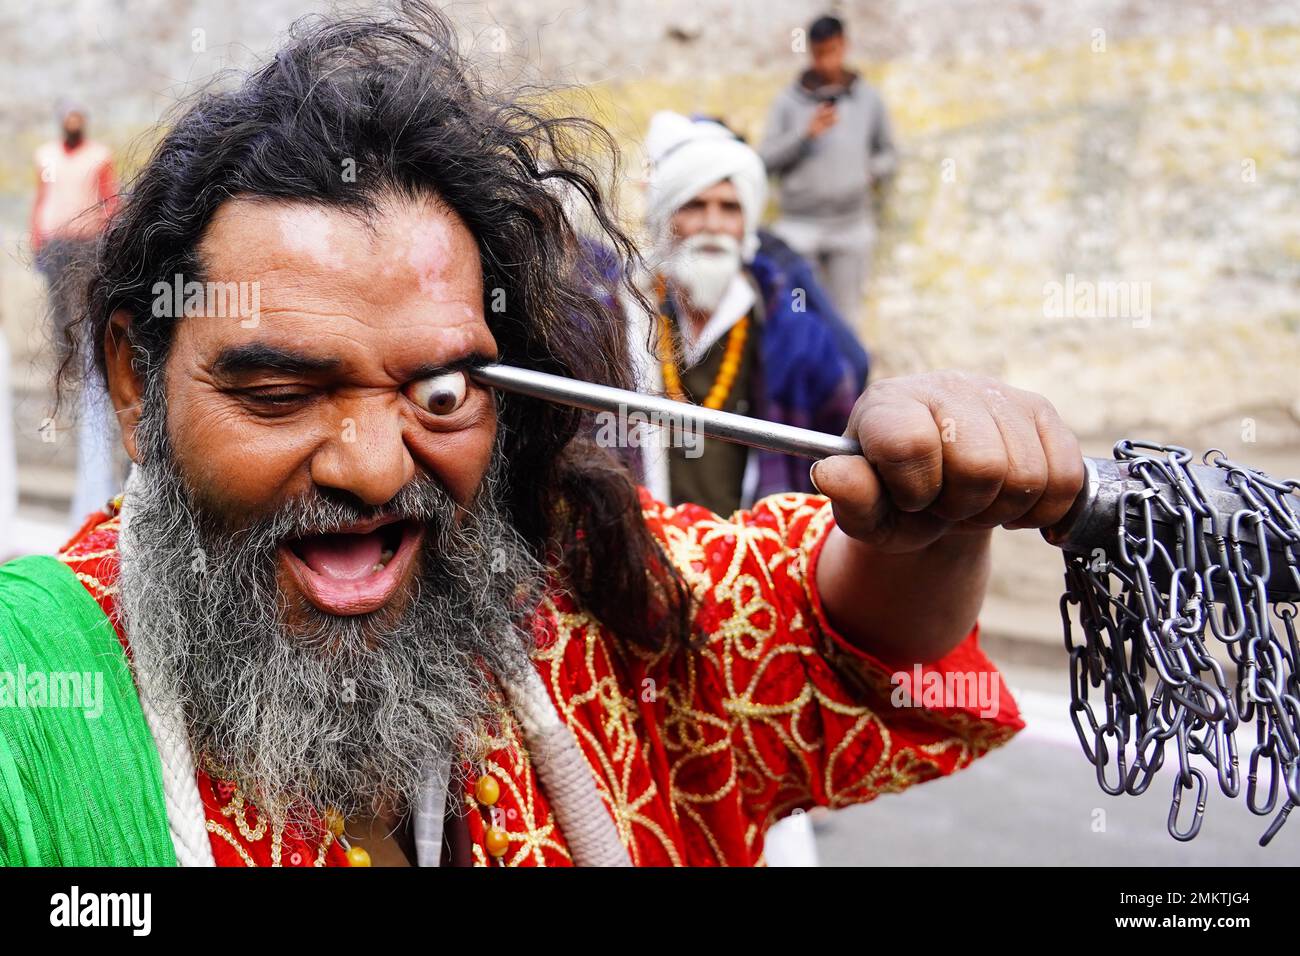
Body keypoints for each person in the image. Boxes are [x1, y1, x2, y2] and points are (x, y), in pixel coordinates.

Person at [0, 3, 1083, 867]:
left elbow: (836, 634)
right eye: (281, 394)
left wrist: (933, 514)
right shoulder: (31, 707)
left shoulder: (586, 597)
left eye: (439, 393)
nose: (376, 467)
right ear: (135, 383)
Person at [634, 110, 868, 516]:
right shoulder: (625, 313)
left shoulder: (791, 330)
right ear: (667, 218)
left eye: (729, 208)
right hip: (644, 548)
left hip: (747, 555)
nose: (713, 225)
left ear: (747, 223)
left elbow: (841, 425)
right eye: (694, 205)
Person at [759, 14, 897, 328]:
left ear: (844, 46)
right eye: (820, 53)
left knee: (846, 320)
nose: (826, 61)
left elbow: (889, 154)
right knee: (798, 316)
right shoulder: (787, 102)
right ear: (810, 51)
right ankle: (801, 376)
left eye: (833, 51)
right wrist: (805, 135)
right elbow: (765, 161)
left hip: (851, 225)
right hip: (799, 226)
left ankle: (848, 379)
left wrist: (869, 172)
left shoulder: (868, 99)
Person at [29, 105, 122, 527]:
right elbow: (41, 197)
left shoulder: (98, 156)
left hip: (86, 245)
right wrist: (36, 235)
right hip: (55, 243)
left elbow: (110, 199)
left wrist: (110, 235)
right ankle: (67, 365)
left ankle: (88, 365)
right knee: (58, 310)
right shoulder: (46, 156)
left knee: (83, 311)